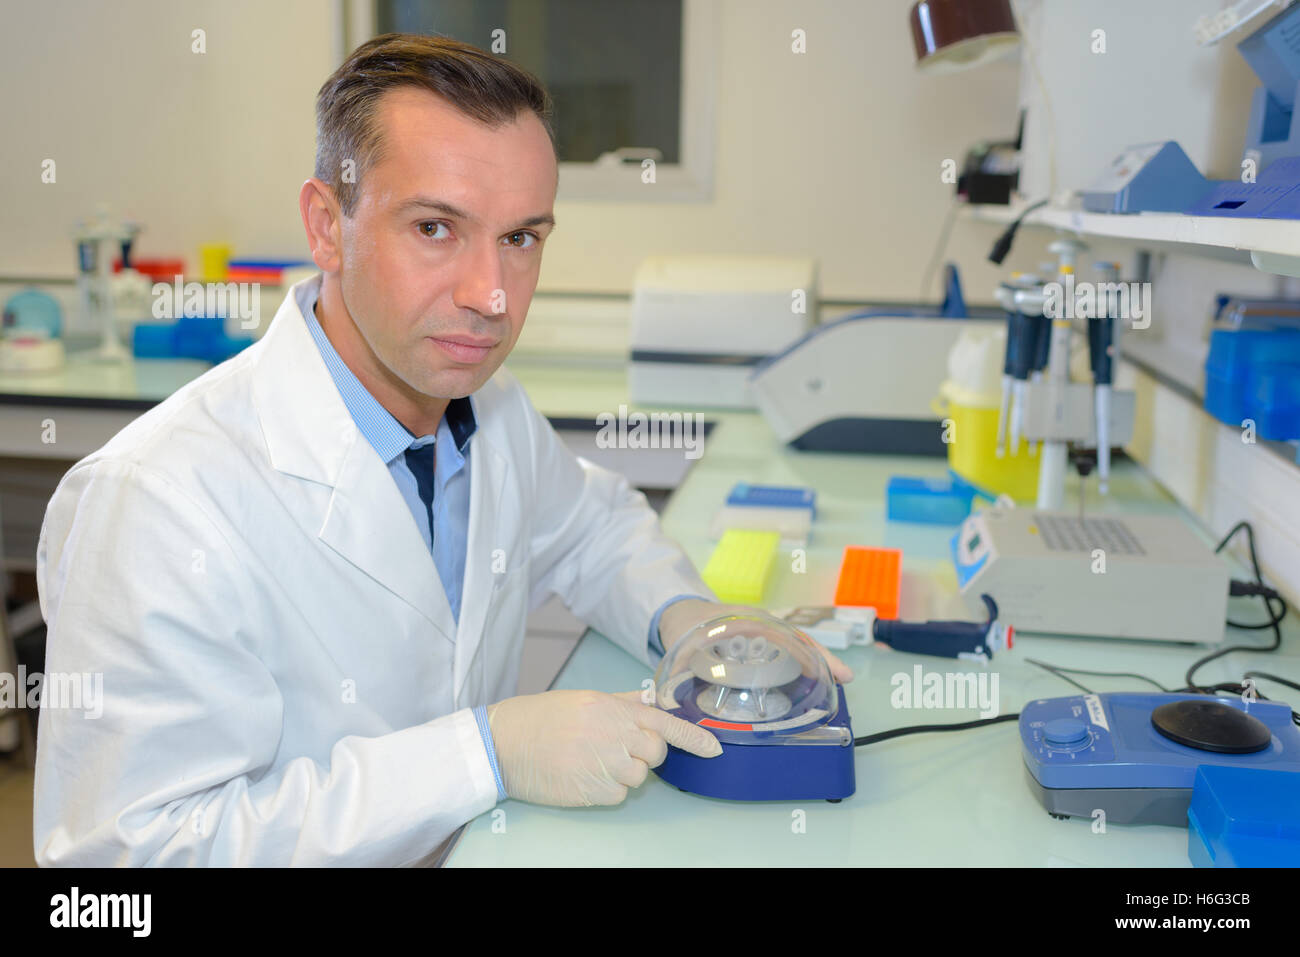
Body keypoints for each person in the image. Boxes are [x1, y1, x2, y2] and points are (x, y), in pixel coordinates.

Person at [33, 33, 850, 867]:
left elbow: (592, 526)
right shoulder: (156, 502)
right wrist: (481, 755)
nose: (490, 295)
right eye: (434, 226)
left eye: (522, 238)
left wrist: (694, 625)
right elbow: (121, 866)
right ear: (327, 226)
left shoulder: (485, 405)